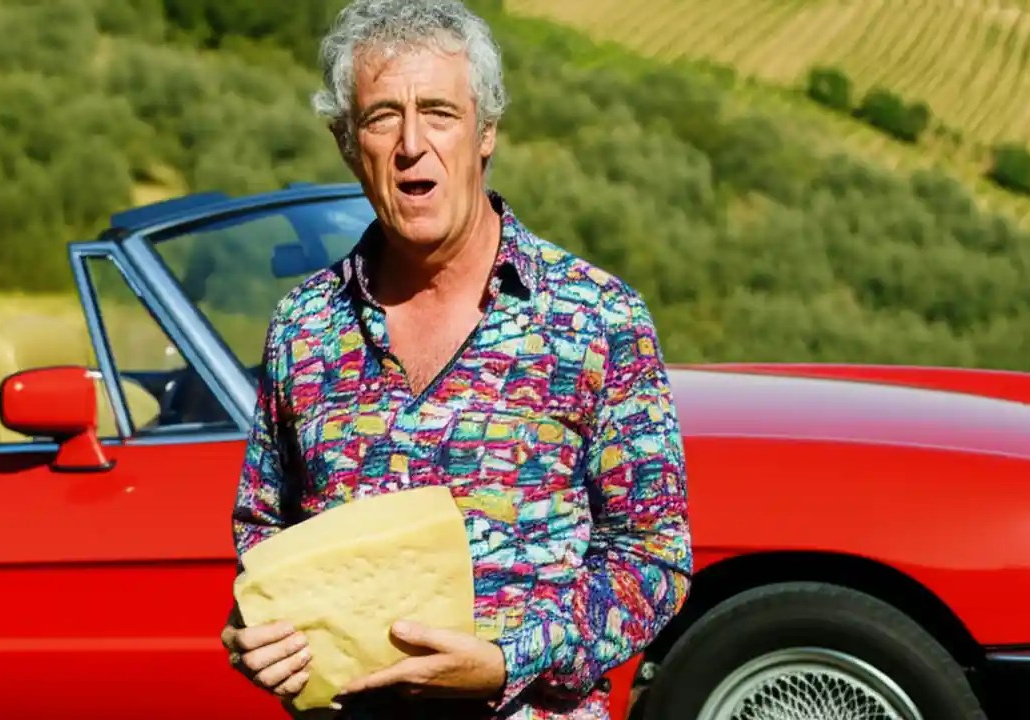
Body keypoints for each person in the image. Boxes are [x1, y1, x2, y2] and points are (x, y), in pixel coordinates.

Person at [218, 0, 692, 717]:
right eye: (382, 118)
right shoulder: (303, 329)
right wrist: (260, 635)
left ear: (486, 132)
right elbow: (265, 533)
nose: (412, 143)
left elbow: (653, 557)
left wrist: (510, 660)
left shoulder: (597, 317)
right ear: (348, 143)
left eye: (439, 112)